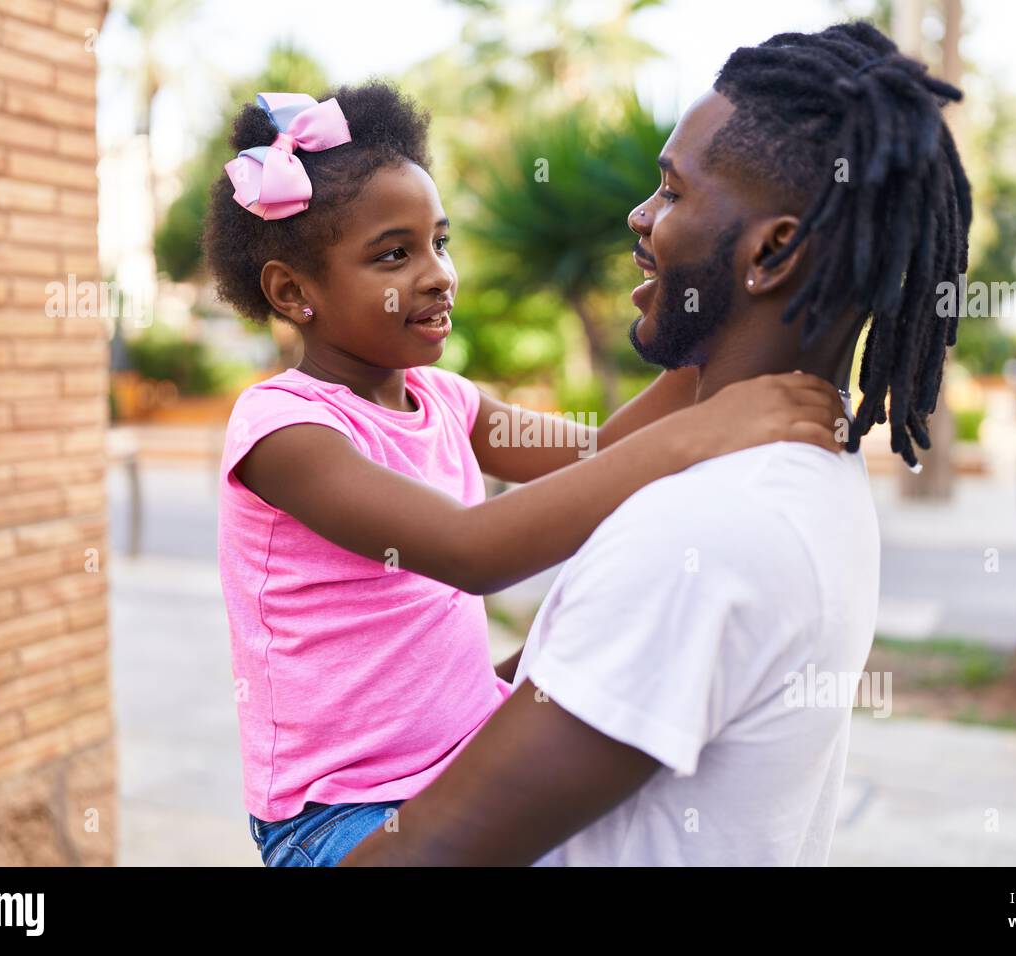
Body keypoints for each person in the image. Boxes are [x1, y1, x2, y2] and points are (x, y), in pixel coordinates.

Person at [342, 20, 973, 866]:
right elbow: (596, 467)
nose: (640, 216)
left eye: (672, 192)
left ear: (773, 250)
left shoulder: (705, 534)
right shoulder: (803, 458)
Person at [203, 82, 845, 866]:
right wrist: (705, 433)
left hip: (454, 760)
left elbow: (597, 449)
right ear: (292, 292)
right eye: (393, 255)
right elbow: (472, 550)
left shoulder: (446, 401)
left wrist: (706, 342)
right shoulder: (286, 432)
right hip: (340, 815)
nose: (438, 274)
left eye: (440, 242)